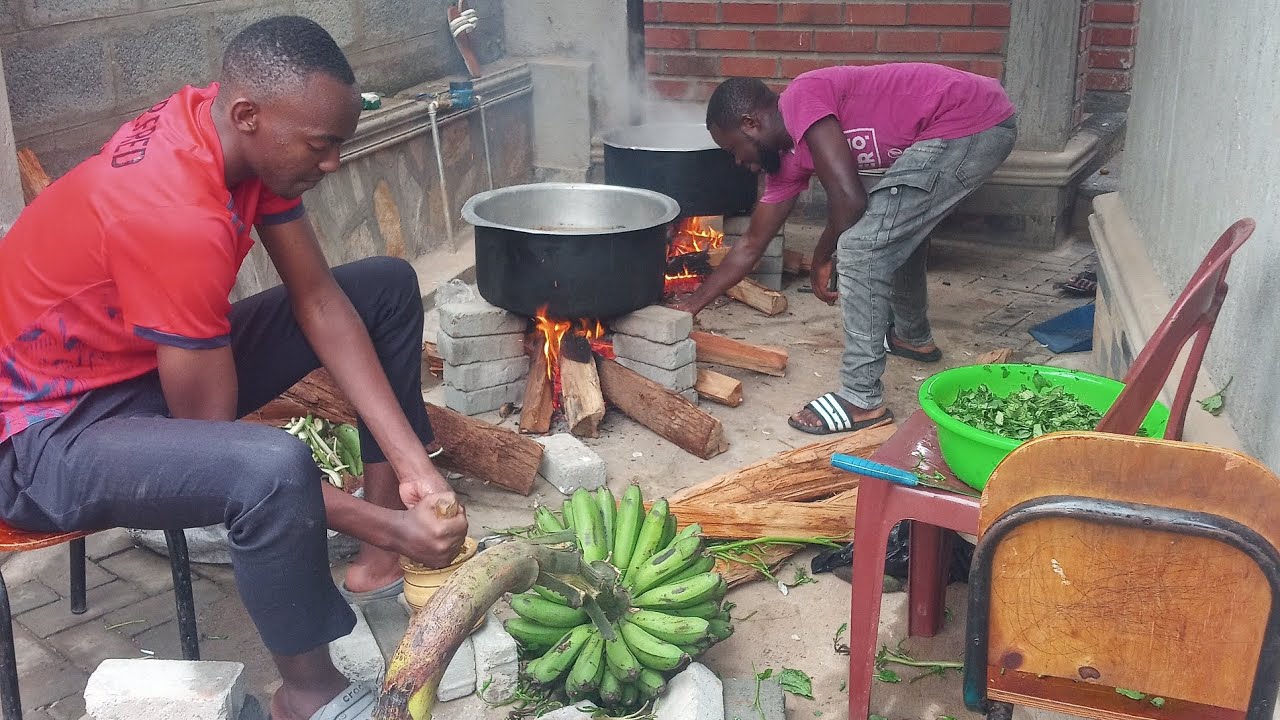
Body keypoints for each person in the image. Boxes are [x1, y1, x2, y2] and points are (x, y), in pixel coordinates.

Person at [0, 16, 468, 720]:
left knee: (383, 287)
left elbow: (320, 300)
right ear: (247, 115)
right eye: (323, 145)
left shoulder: (227, 128)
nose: (334, 163)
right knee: (268, 466)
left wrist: (414, 469)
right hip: (39, 436)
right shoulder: (175, 216)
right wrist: (390, 525)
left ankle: (381, 553)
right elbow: (217, 440)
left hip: (127, 374)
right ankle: (309, 692)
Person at [677, 63, 1017, 435]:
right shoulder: (787, 161)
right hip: (955, 127)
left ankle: (861, 399)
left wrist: (822, 258)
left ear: (750, 123)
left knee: (860, 248)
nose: (739, 162)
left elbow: (849, 199)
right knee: (888, 232)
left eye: (733, 149)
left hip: (970, 120)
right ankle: (911, 338)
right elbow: (751, 244)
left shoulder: (802, 96)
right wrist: (692, 304)